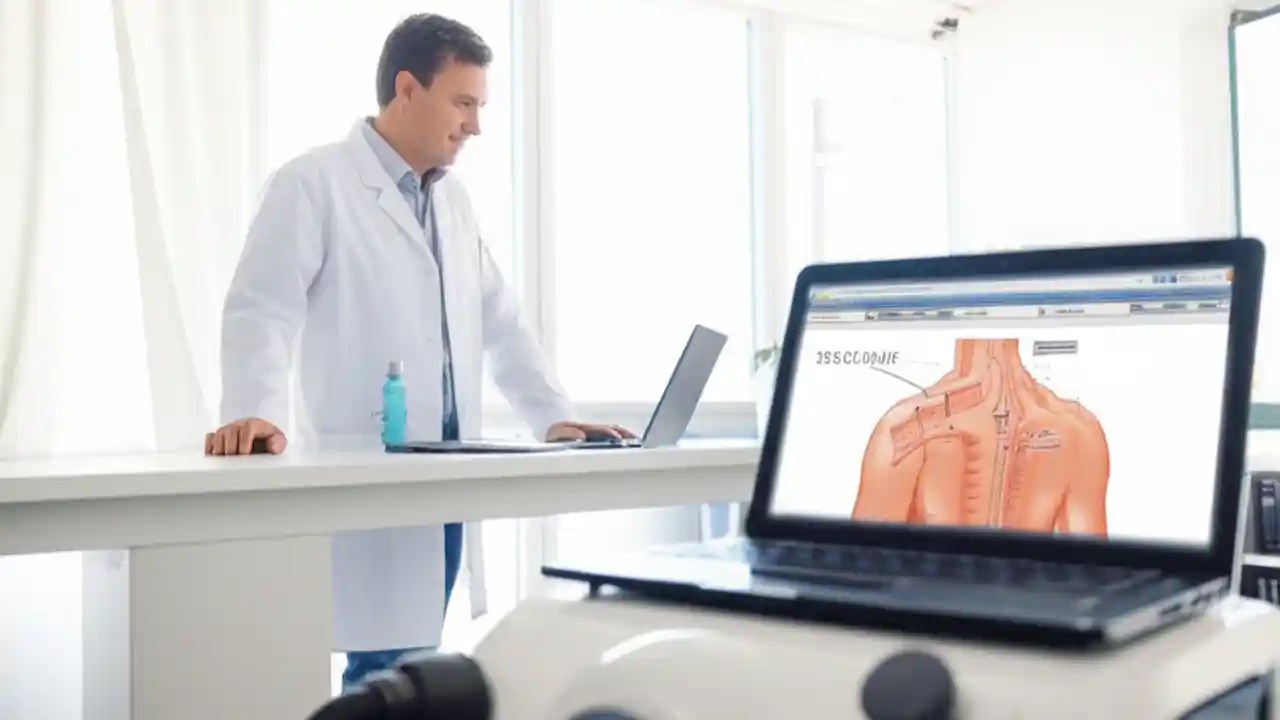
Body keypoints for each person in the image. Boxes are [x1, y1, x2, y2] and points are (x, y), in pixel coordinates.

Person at [204, 13, 632, 693]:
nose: (476, 126)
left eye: (481, 106)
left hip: (447, 477)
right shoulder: (312, 183)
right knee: (383, 669)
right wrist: (254, 413)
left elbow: (502, 318)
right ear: (408, 88)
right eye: (464, 103)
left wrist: (553, 415)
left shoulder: (453, 200)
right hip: (367, 466)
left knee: (412, 662)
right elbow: (262, 308)